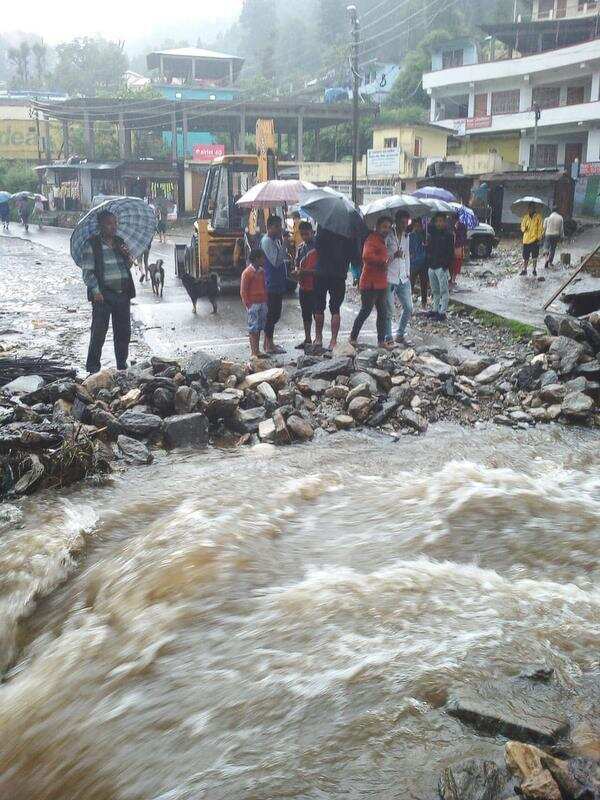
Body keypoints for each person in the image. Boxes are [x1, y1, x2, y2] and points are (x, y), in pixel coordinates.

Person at [81, 210, 136, 373]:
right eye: (109, 224)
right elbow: (87, 272)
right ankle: (92, 368)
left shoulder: (120, 242)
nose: (114, 227)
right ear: (101, 226)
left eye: (115, 223)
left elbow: (128, 266)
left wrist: (127, 256)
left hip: (123, 293)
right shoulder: (92, 244)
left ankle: (121, 364)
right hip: (103, 295)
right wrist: (95, 290)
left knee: (123, 332)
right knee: (98, 333)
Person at [350, 216, 392, 348]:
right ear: (378, 227)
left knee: (383, 313)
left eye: (389, 227)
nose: (387, 230)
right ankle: (353, 337)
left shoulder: (382, 241)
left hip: (381, 282)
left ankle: (381, 341)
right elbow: (366, 256)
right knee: (366, 311)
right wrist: (382, 261)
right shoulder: (372, 239)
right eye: (384, 227)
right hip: (370, 284)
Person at [314, 227, 353, 350]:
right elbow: (354, 254)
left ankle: (318, 338)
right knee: (335, 308)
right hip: (339, 274)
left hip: (322, 272)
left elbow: (317, 247)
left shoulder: (323, 225)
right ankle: (333, 341)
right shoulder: (347, 229)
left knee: (319, 307)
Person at [385, 210, 413, 346]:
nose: (404, 225)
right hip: (390, 276)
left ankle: (400, 334)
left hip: (403, 277)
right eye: (401, 223)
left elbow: (407, 255)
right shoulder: (389, 236)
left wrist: (408, 272)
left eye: (406, 223)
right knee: (389, 309)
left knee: (408, 307)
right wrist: (394, 255)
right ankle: (388, 337)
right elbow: (383, 257)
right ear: (396, 222)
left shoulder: (407, 237)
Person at [260, 215, 288, 354]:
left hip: (278, 282)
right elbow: (276, 261)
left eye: (280, 225)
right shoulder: (267, 241)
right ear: (269, 227)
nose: (279, 229)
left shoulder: (275, 240)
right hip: (271, 282)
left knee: (276, 314)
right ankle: (269, 345)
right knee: (272, 314)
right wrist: (285, 245)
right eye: (276, 226)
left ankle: (269, 343)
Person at [291, 220, 317, 350]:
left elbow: (321, 269)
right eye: (302, 234)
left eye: (307, 234)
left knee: (317, 313)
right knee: (305, 314)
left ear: (312, 232)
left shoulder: (319, 248)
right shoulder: (300, 247)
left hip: (316, 286)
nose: (305, 237)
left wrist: (304, 272)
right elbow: (296, 263)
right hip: (303, 286)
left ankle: (318, 339)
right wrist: (296, 272)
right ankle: (307, 339)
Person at [240, 248, 268, 359]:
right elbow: (243, 291)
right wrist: (248, 304)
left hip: (262, 303)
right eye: (262, 258)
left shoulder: (261, 271)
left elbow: (264, 286)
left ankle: (257, 350)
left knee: (259, 327)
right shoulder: (247, 273)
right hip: (253, 304)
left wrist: (266, 300)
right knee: (253, 328)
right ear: (257, 259)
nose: (264, 260)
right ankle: (253, 352)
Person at [426, 213, 454, 322]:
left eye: (441, 221)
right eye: (437, 221)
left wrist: (445, 266)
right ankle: (435, 309)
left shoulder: (448, 234)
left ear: (445, 222)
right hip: (432, 265)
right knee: (435, 290)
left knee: (444, 290)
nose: (439, 223)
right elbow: (430, 248)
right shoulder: (432, 233)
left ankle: (442, 312)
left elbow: (450, 252)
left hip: (441, 267)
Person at [520, 203, 544, 276]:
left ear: (534, 209)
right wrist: (524, 228)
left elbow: (540, 228)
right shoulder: (525, 217)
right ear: (528, 209)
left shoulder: (538, 217)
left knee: (534, 256)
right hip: (526, 240)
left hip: (535, 240)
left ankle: (534, 269)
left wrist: (539, 238)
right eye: (529, 208)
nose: (530, 209)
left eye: (532, 208)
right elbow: (522, 226)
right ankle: (524, 269)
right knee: (525, 256)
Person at [409, 218, 428, 310]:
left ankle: (424, 303)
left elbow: (428, 248)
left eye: (419, 226)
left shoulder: (425, 236)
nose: (417, 228)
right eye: (416, 226)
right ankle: (409, 304)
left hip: (423, 263)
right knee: (411, 284)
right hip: (413, 263)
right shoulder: (410, 236)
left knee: (424, 284)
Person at [451, 214, 468, 287]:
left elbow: (463, 236)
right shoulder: (451, 226)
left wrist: (455, 232)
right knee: (452, 263)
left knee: (457, 263)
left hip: (458, 247)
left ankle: (453, 279)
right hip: (452, 247)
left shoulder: (462, 226)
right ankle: (451, 278)